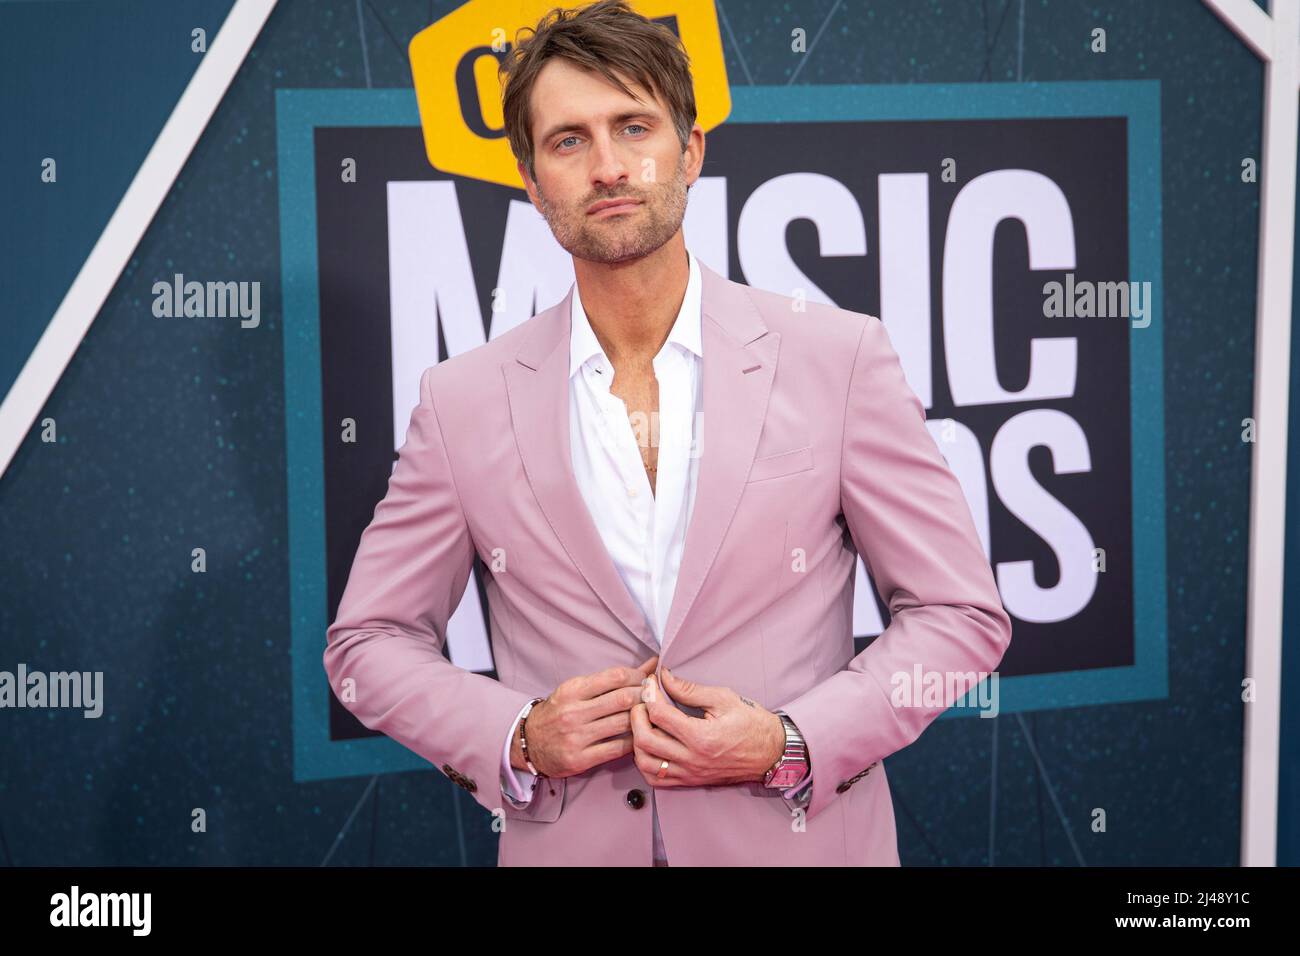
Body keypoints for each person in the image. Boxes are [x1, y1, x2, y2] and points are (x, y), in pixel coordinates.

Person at [323, 0, 1012, 866]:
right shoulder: (462, 401)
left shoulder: (837, 358)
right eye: (569, 140)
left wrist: (788, 741)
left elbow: (960, 614)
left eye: (634, 126)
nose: (609, 166)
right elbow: (366, 646)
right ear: (532, 181)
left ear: (689, 152)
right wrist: (521, 735)